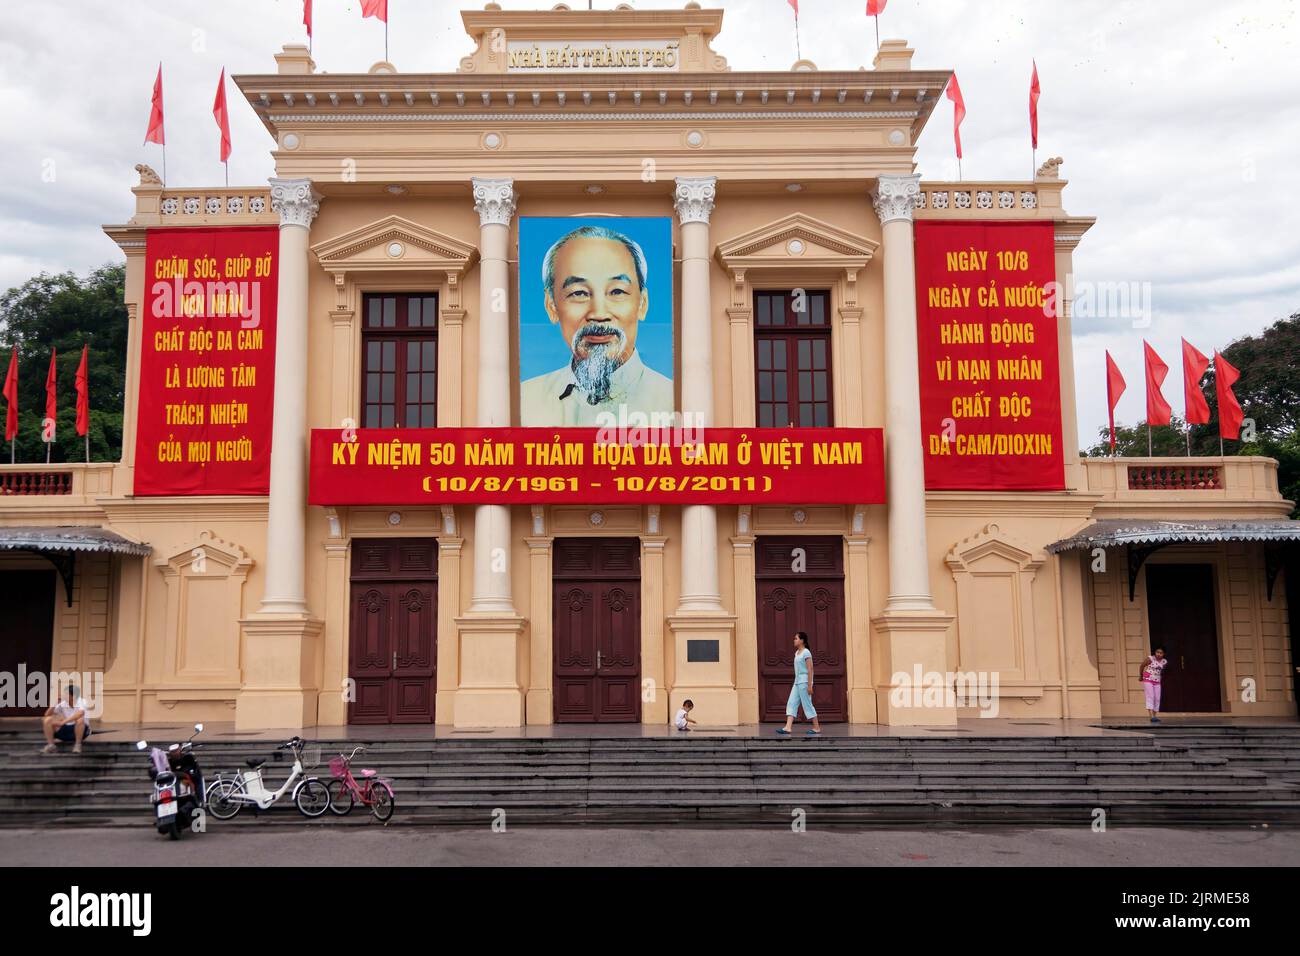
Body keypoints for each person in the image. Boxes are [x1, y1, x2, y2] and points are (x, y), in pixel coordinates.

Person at [520, 225, 673, 425]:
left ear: (642, 304)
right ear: (551, 306)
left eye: (617, 291)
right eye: (579, 293)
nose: (599, 314)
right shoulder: (526, 401)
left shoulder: (673, 402)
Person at [777, 631, 822, 736]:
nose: (794, 640)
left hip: (805, 681)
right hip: (797, 682)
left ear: (802, 641)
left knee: (807, 704)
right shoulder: (796, 653)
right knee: (791, 702)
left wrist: (810, 685)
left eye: (796, 638)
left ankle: (816, 727)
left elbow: (810, 669)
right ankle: (788, 727)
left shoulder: (806, 652)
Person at [42, 684, 92, 754]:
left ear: (73, 696)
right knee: (48, 720)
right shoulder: (63, 703)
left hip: (81, 731)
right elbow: (47, 714)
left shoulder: (82, 701)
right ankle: (51, 746)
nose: (63, 695)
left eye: (66, 694)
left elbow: (80, 713)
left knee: (80, 720)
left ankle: (77, 745)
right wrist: (55, 703)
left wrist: (63, 722)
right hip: (66, 730)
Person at [1140, 647, 1169, 723]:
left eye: (1161, 653)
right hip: (1148, 679)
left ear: (1164, 654)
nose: (1159, 654)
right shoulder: (1150, 658)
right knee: (1150, 696)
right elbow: (1142, 666)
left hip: (1157, 681)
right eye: (1157, 652)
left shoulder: (1164, 661)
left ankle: (1155, 715)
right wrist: (1141, 676)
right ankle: (1151, 716)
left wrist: (1159, 677)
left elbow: (1161, 671)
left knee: (1157, 698)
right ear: (1155, 652)